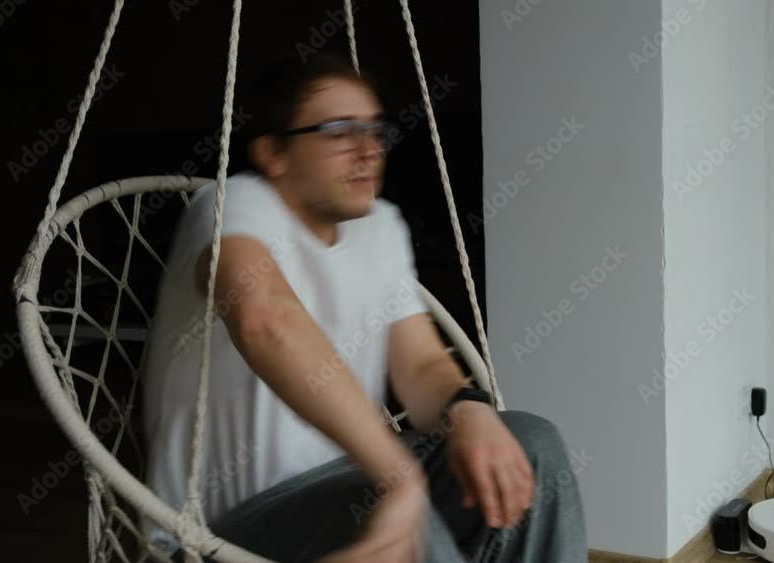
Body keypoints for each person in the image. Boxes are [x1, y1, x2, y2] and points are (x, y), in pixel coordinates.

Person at [140, 51, 587, 563]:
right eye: (338, 130)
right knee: (406, 520)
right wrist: (398, 477)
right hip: (214, 535)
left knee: (532, 440)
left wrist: (469, 410)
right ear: (274, 154)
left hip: (343, 488)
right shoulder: (234, 206)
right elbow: (267, 320)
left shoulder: (381, 227)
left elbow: (420, 367)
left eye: (374, 130)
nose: (368, 149)